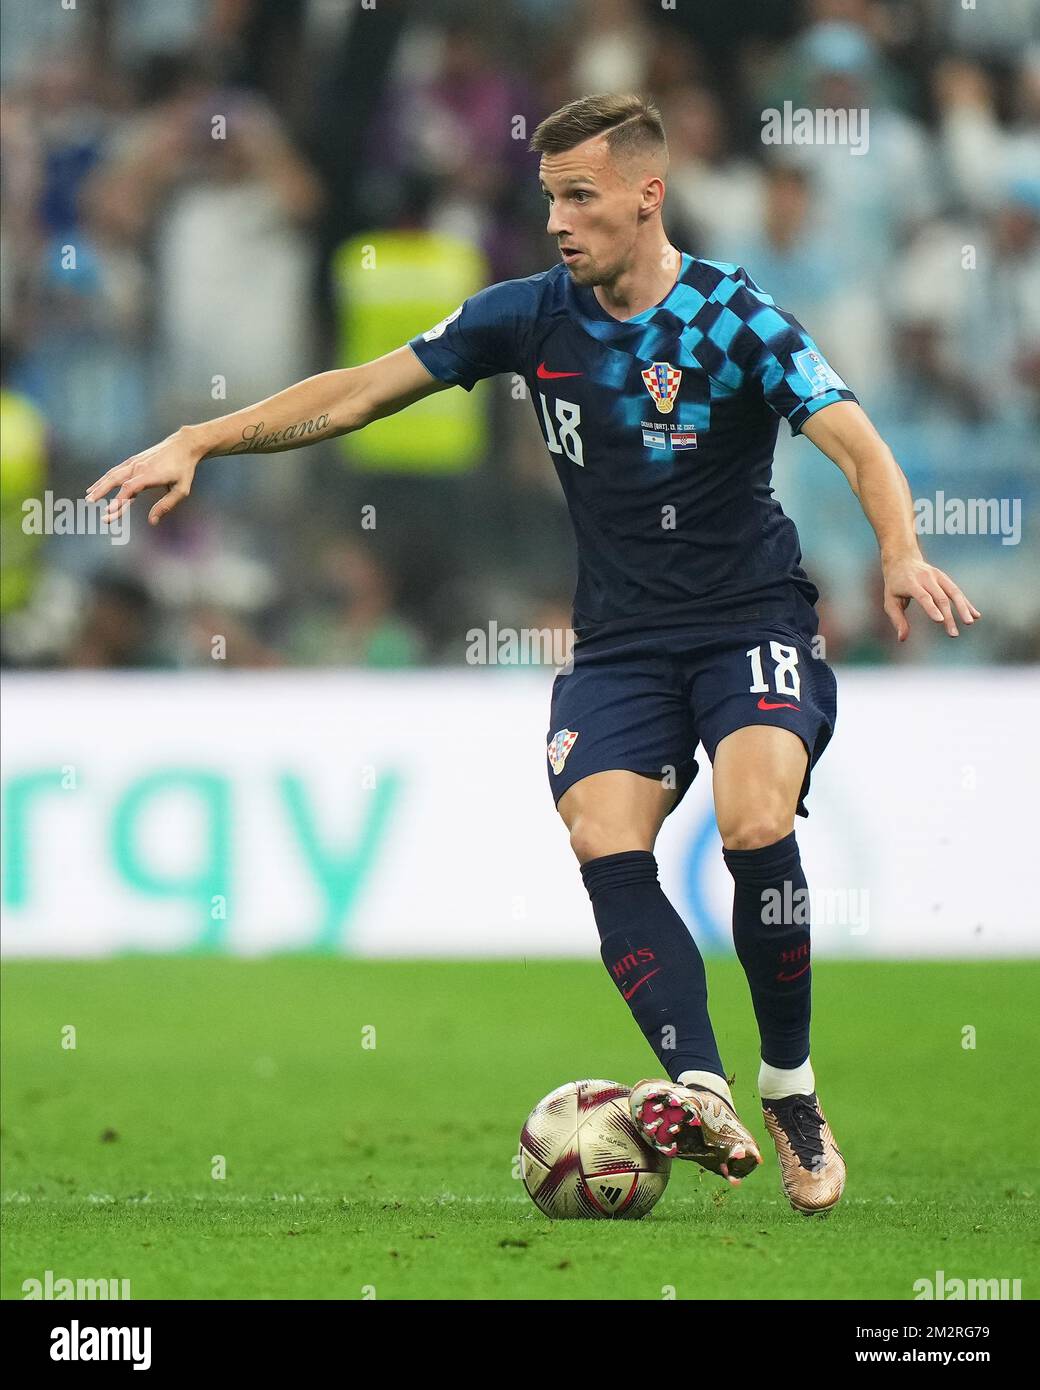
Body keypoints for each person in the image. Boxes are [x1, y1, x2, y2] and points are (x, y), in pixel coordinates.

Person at [86, 93, 981, 1217]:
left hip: (750, 617)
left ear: (646, 196)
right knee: (601, 832)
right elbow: (361, 391)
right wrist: (201, 436)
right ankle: (697, 1083)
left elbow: (856, 442)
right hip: (617, 643)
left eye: (580, 196)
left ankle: (788, 1086)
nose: (556, 219)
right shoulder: (525, 316)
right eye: (548, 195)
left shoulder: (733, 319)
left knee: (755, 819)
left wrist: (896, 549)